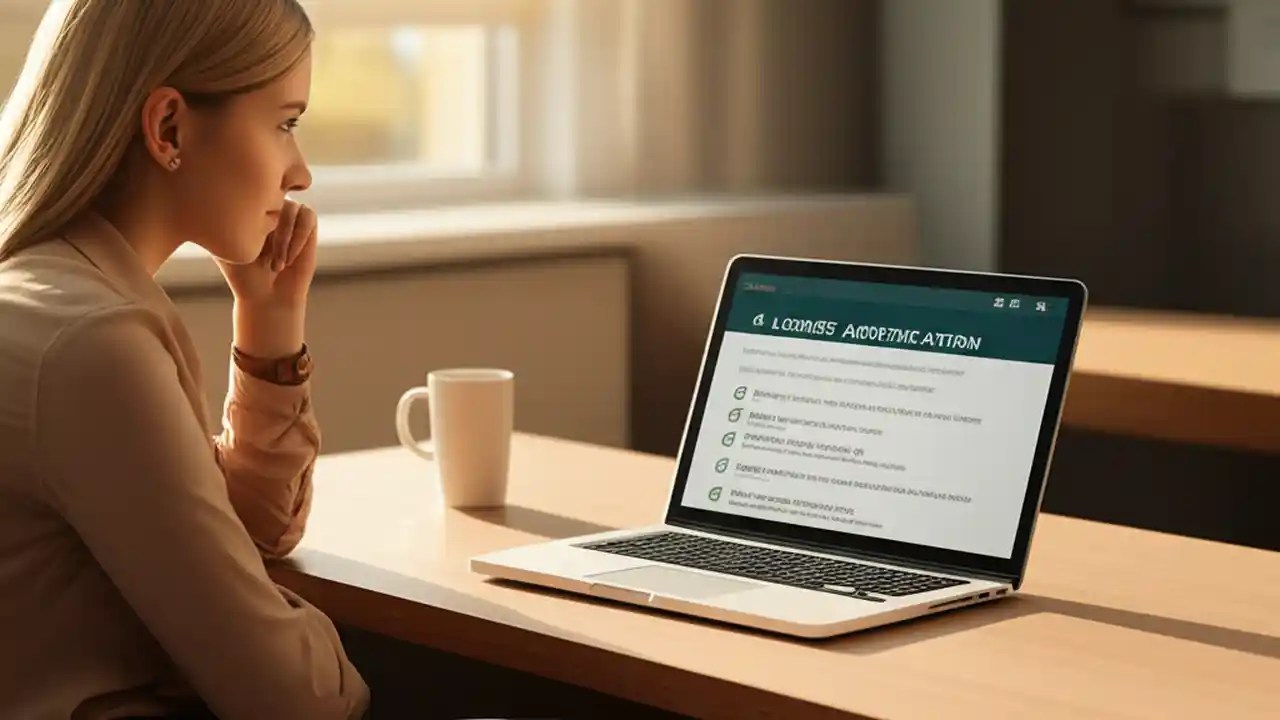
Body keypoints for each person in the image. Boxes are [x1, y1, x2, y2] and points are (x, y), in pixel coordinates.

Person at [0, 1, 370, 717]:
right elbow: (296, 700)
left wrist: (269, 327)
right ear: (169, 127)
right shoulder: (93, 346)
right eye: (285, 123)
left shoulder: (49, 292)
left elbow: (251, 530)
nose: (300, 173)